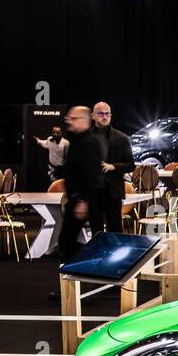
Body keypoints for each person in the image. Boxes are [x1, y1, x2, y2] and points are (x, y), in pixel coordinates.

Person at [56, 106, 103, 263]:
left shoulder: (88, 143)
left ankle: (89, 264)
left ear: (84, 120)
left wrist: (83, 201)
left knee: (66, 243)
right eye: (67, 118)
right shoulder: (76, 141)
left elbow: (90, 174)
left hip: (82, 200)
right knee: (66, 242)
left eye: (73, 118)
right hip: (76, 199)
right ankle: (76, 275)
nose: (69, 121)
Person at [88, 101, 135, 234]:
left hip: (113, 192)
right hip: (93, 192)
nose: (104, 116)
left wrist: (113, 166)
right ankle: (97, 254)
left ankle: (115, 255)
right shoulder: (86, 138)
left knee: (115, 229)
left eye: (107, 113)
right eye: (101, 113)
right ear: (93, 116)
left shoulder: (121, 138)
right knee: (95, 229)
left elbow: (131, 165)